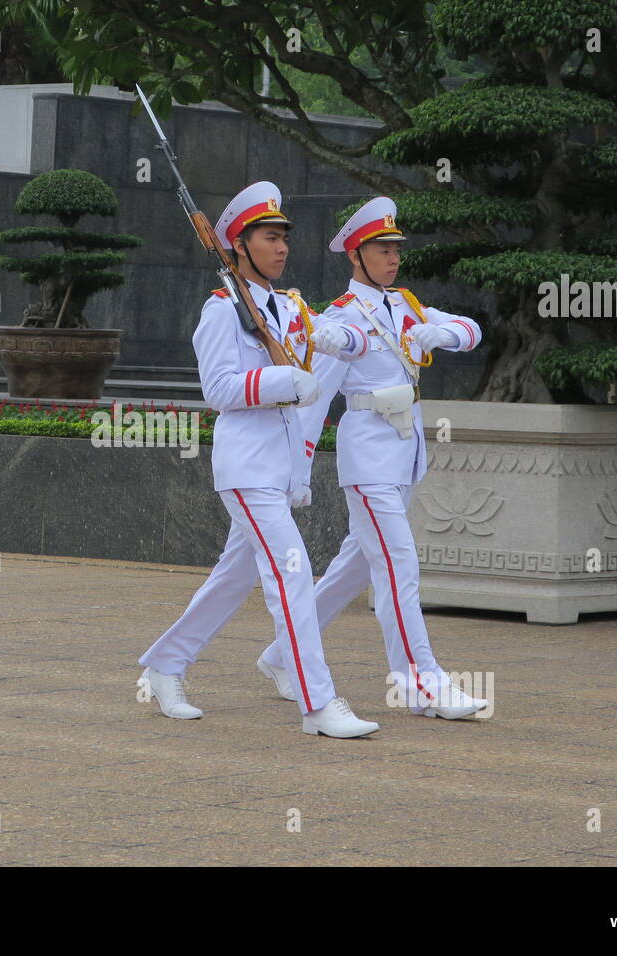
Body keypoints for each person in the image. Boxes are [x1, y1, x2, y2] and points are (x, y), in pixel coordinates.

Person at [137, 181, 378, 738]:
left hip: (280, 467)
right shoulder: (222, 311)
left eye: (284, 238)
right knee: (292, 571)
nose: (282, 247)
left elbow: (327, 337)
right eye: (270, 238)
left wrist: (352, 337)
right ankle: (318, 703)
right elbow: (218, 388)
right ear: (239, 246)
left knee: (232, 578)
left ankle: (165, 663)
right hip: (246, 466)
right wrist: (282, 380)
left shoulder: (286, 306)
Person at [260, 196, 490, 720]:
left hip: (405, 455)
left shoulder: (406, 305)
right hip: (367, 462)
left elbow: (473, 330)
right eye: (382, 250)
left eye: (396, 249)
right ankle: (421, 682)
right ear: (356, 256)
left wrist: (443, 332)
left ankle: (280, 653)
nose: (394, 258)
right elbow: (314, 400)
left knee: (356, 565)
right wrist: (296, 473)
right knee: (398, 563)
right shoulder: (345, 315)